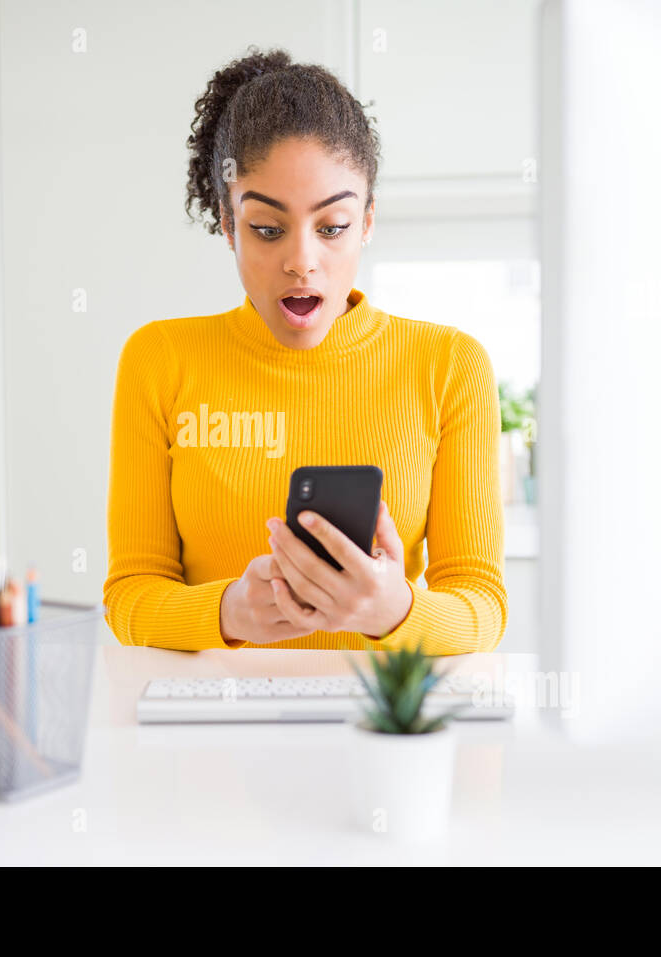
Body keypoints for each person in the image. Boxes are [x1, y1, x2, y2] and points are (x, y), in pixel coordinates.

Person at [102, 46, 506, 654]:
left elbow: (482, 607)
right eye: (267, 229)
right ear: (228, 223)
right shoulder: (159, 360)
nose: (301, 261)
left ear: (367, 221)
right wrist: (230, 613)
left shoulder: (449, 367)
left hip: (377, 729)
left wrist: (394, 610)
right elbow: (130, 595)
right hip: (212, 731)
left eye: (332, 227)